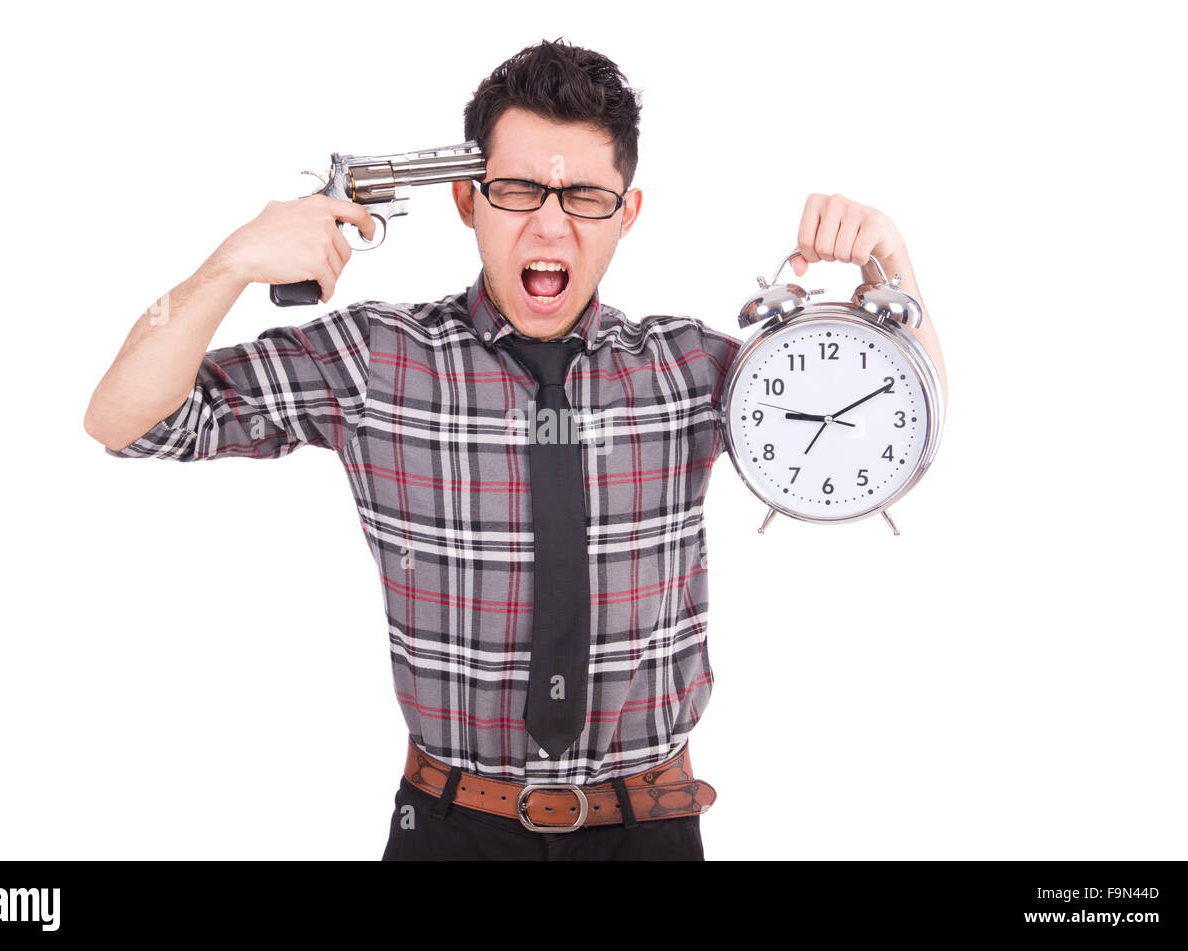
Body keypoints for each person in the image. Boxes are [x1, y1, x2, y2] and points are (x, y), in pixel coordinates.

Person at [84, 38, 948, 860]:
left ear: (627, 214)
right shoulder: (375, 360)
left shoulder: (692, 367)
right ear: (467, 200)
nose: (549, 227)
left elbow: (905, 431)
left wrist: (891, 268)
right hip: (450, 829)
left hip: (647, 829)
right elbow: (129, 419)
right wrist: (228, 265)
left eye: (584, 198)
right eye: (518, 191)